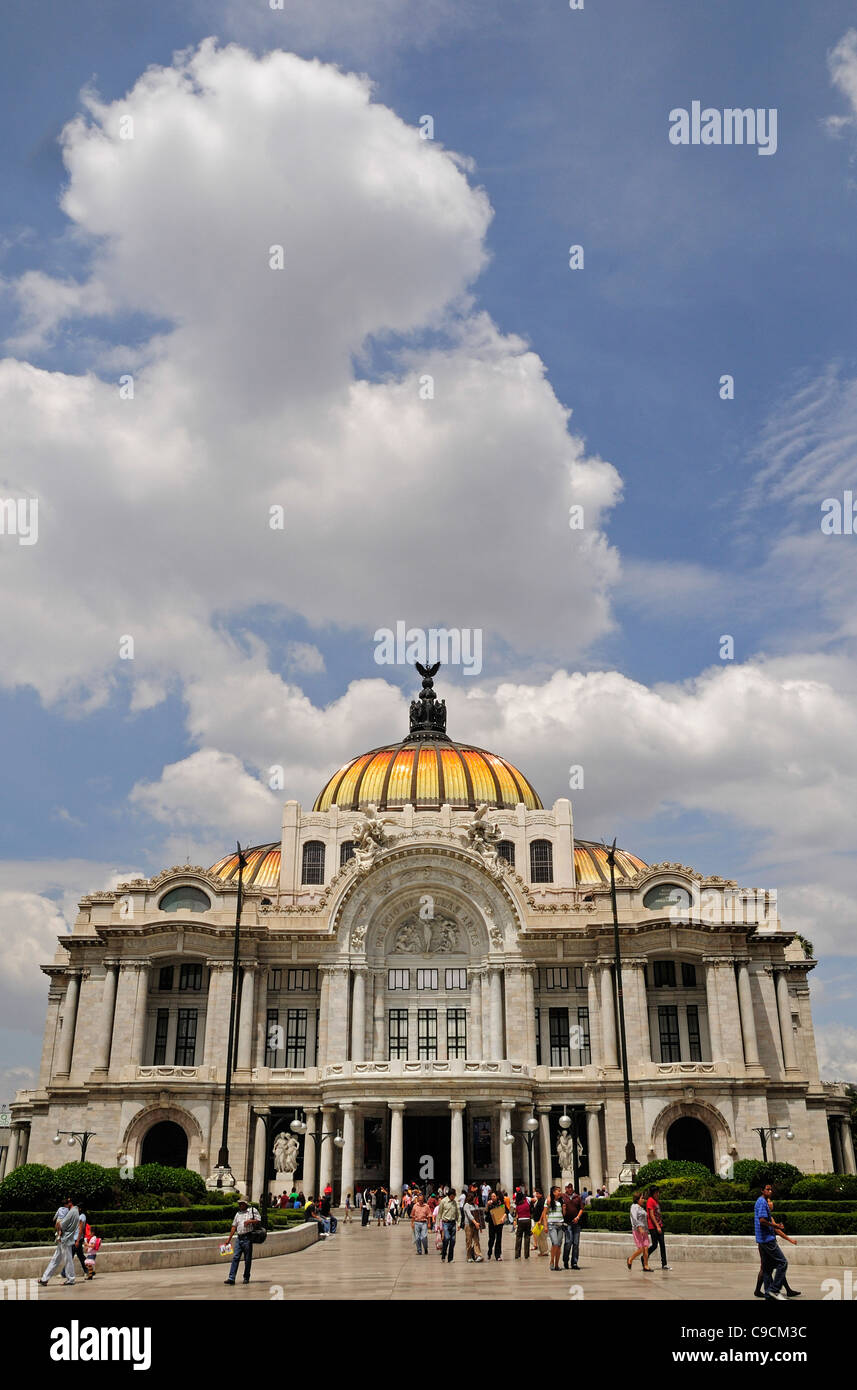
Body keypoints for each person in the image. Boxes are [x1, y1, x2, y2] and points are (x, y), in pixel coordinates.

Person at [753, 1196, 800, 1298]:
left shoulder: (769, 1217)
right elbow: (777, 1230)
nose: (771, 1203)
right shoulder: (767, 1218)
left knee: (770, 1267)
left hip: (764, 1244)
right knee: (778, 1265)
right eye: (769, 1201)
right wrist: (790, 1240)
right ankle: (769, 1290)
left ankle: (782, 1290)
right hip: (767, 1244)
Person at [754, 1182, 790, 1301]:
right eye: (768, 1189)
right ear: (762, 1190)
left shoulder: (760, 1201)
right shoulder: (762, 1202)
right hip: (767, 1239)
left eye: (771, 1190)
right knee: (783, 1263)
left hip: (762, 1239)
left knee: (767, 1268)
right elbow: (762, 1220)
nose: (770, 1192)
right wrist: (776, 1226)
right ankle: (774, 1290)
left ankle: (768, 1294)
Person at [38, 1196, 80, 1287]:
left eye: (68, 1202)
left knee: (67, 1259)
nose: (66, 1204)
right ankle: (45, 1279)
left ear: (71, 1203)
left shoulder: (72, 1212)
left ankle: (71, 1279)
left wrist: (57, 1226)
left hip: (65, 1239)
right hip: (65, 1240)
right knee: (56, 1259)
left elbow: (61, 1225)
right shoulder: (75, 1212)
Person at [224, 1196, 261, 1285]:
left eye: (242, 1203)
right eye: (239, 1204)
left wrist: (250, 1221)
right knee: (235, 1257)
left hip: (248, 1238)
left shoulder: (252, 1210)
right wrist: (228, 1239)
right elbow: (234, 1226)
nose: (240, 1205)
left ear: (246, 1204)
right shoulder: (238, 1214)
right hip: (239, 1238)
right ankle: (231, 1278)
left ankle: (246, 1277)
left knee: (247, 1259)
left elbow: (259, 1220)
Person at [646, 1187, 670, 1270]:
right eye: (656, 1193)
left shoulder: (656, 1201)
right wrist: (657, 1226)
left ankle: (664, 1264)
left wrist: (660, 1225)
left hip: (660, 1225)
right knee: (655, 1245)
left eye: (658, 1192)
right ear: (653, 1193)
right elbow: (651, 1215)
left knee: (662, 1245)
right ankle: (644, 1257)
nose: (658, 1194)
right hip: (653, 1226)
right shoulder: (650, 1201)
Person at [561, 1184, 584, 1271]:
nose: (569, 1189)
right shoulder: (563, 1196)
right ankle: (565, 1260)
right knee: (568, 1242)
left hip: (576, 1223)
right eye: (568, 1187)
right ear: (565, 1188)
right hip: (567, 1223)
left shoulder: (577, 1197)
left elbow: (581, 1208)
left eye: (571, 1187)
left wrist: (577, 1217)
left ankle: (574, 1262)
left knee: (576, 1243)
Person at [627, 1192, 652, 1273]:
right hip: (637, 1230)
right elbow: (634, 1218)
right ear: (637, 1199)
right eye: (642, 1198)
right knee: (641, 1248)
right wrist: (639, 1227)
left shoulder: (641, 1208)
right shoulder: (634, 1207)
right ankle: (630, 1259)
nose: (643, 1200)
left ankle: (646, 1265)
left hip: (644, 1230)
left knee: (646, 1248)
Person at [545, 1186, 566, 1271]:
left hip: (560, 1224)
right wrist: (545, 1225)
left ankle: (557, 1264)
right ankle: (551, 1261)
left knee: (559, 1245)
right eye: (558, 1191)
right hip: (552, 1225)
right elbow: (544, 1214)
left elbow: (563, 1214)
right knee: (555, 1243)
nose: (559, 1192)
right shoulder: (549, 1201)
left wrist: (564, 1209)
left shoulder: (561, 1201)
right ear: (553, 1192)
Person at [462, 1191, 484, 1263]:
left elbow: (478, 1216)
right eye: (475, 1198)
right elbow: (469, 1215)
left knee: (476, 1240)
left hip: (475, 1225)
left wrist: (480, 1226)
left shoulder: (475, 1206)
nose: (476, 1199)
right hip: (468, 1225)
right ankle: (469, 1256)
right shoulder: (466, 1205)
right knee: (469, 1241)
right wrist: (475, 1223)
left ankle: (478, 1255)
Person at [437, 1189, 458, 1263]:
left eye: (454, 1196)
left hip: (453, 1223)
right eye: (452, 1196)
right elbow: (439, 1213)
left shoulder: (455, 1202)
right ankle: (443, 1254)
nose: (453, 1197)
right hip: (445, 1223)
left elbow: (457, 1213)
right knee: (447, 1238)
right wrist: (437, 1224)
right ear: (449, 1195)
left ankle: (450, 1258)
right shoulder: (443, 1201)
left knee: (453, 1241)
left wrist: (458, 1223)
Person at [486, 1190, 505, 1261]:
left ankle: (498, 1255)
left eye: (494, 1196)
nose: (493, 1197)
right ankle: (489, 1252)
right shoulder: (489, 1204)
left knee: (498, 1239)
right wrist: (487, 1205)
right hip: (491, 1224)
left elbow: (506, 1211)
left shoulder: (501, 1203)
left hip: (499, 1224)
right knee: (491, 1239)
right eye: (491, 1196)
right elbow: (486, 1212)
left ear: (497, 1197)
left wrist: (503, 1217)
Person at [513, 1187, 531, 1260]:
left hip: (520, 1220)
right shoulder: (527, 1201)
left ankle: (517, 1254)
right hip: (528, 1220)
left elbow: (516, 1214)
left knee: (519, 1237)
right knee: (527, 1237)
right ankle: (526, 1255)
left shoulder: (517, 1204)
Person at [530, 1187, 548, 1257]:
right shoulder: (537, 1201)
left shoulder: (542, 1201)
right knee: (538, 1236)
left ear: (541, 1194)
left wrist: (540, 1220)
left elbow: (543, 1212)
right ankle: (541, 1251)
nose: (536, 1195)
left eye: (537, 1193)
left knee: (542, 1236)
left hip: (540, 1221)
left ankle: (545, 1251)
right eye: (536, 1193)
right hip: (536, 1220)